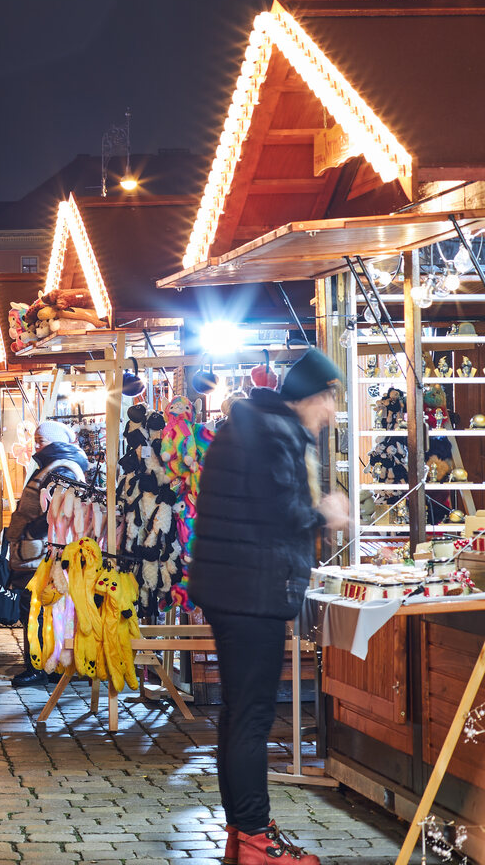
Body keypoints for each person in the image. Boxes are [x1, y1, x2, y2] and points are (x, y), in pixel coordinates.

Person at [191, 348, 349, 865]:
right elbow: (282, 511)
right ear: (311, 396)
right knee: (252, 718)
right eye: (330, 400)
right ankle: (257, 840)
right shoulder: (273, 434)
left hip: (236, 589)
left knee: (239, 715)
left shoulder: (254, 426)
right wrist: (324, 512)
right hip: (250, 593)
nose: (331, 414)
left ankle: (246, 834)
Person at [5, 421, 90, 689]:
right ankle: (48, 663)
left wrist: (30, 532)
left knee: (35, 608)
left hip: (43, 552)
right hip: (37, 550)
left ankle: (38, 667)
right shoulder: (53, 465)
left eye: (42, 440)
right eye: (36, 439)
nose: (37, 444)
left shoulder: (61, 467)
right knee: (41, 608)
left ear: (55, 442)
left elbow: (61, 510)